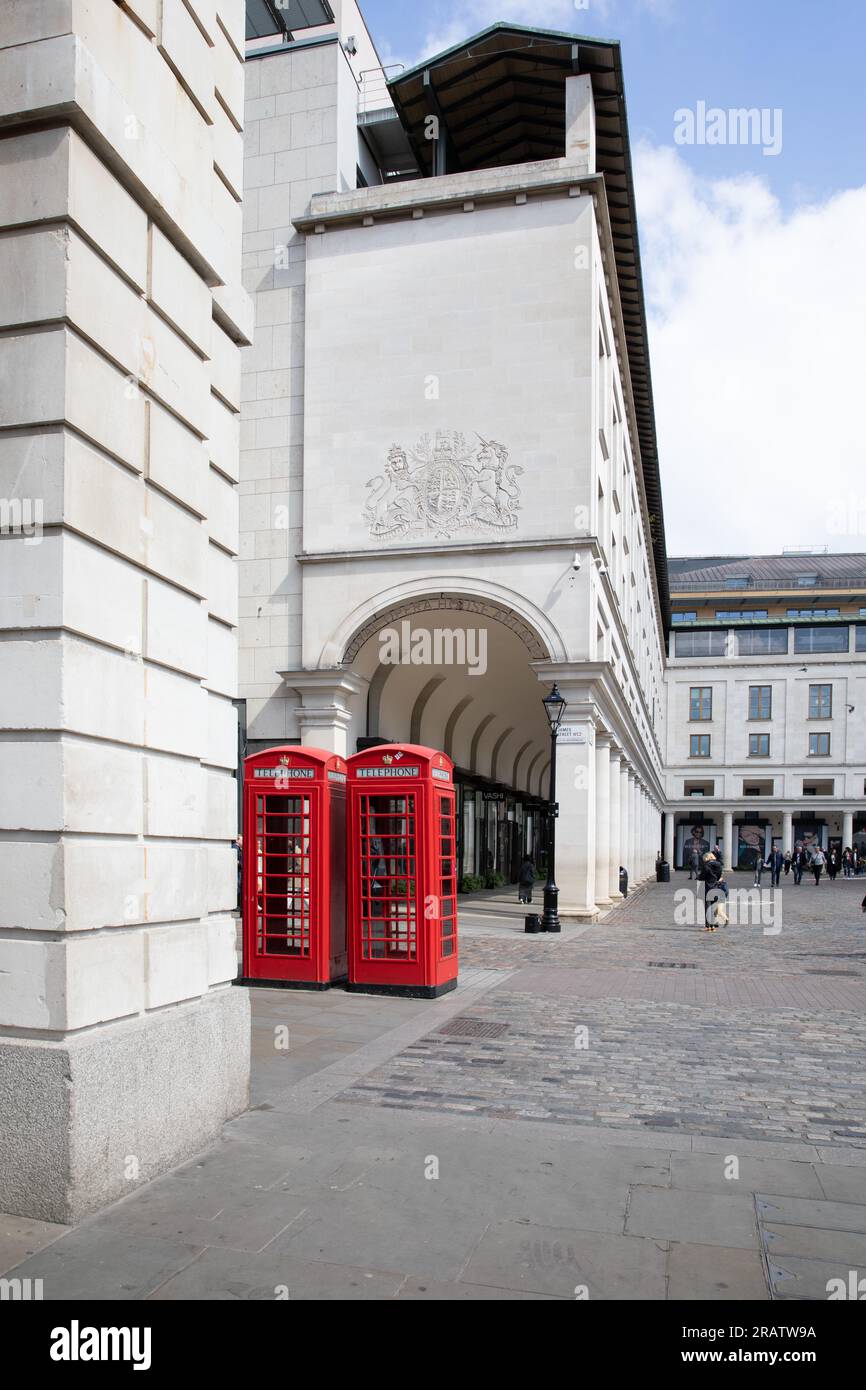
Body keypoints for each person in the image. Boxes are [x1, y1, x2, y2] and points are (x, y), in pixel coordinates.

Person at [699, 851, 728, 931]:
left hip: (708, 888)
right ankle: (713, 927)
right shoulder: (718, 865)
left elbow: (702, 876)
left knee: (707, 908)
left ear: (706, 858)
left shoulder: (706, 865)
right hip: (716, 888)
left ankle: (708, 926)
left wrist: (699, 877)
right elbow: (719, 876)